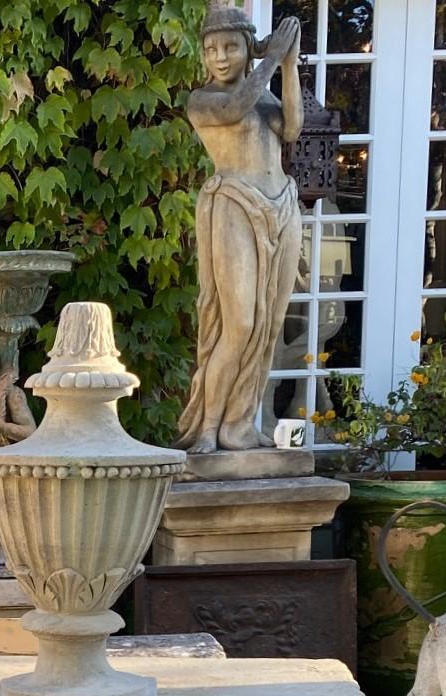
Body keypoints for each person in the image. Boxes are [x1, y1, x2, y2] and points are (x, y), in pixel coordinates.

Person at [176, 9, 304, 455]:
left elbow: (292, 127)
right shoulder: (203, 100)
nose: (220, 57)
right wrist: (271, 58)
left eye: (231, 46)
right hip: (234, 204)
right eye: (211, 49)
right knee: (239, 322)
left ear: (247, 47)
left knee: (268, 323)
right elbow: (235, 107)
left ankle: (239, 425)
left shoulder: (263, 96)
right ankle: (207, 427)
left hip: (281, 206)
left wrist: (287, 64)